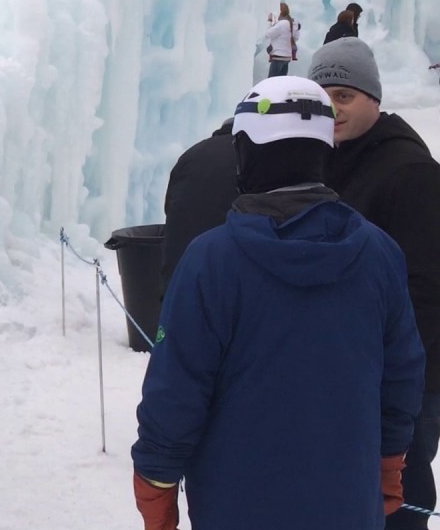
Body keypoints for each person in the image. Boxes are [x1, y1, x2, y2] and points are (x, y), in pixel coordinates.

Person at [132, 75, 425, 530]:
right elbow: (402, 374)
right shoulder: (378, 252)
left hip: (237, 505)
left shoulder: (212, 260)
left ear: (246, 155)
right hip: (348, 500)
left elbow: (177, 389)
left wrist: (156, 480)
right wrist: (389, 459)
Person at [308, 37, 440, 530]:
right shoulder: (326, 157)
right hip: (346, 370)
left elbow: (427, 290)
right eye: (323, 97)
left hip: (403, 380)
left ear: (374, 99)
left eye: (344, 96)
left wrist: (386, 368)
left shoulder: (411, 172)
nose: (333, 109)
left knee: (399, 494)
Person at [159, 118, 236, 293]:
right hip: (226, 273)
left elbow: (169, 207)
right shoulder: (250, 156)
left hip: (181, 273)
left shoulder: (190, 155)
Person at [263, 2, 301, 77]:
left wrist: (271, 22)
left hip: (278, 56)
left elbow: (267, 34)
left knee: (272, 81)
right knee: (281, 80)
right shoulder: (291, 23)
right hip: (287, 57)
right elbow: (296, 37)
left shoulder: (281, 24)